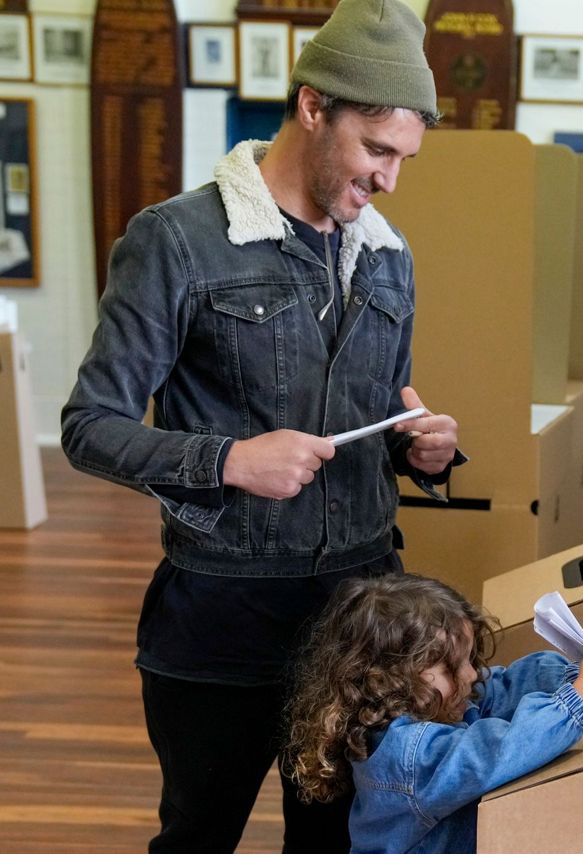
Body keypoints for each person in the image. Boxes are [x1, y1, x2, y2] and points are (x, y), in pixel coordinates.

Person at [60, 0, 463, 849]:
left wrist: (419, 445)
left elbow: (380, 406)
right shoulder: (175, 241)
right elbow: (89, 425)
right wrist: (231, 460)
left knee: (333, 843)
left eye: (404, 157)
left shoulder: (390, 254)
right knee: (200, 835)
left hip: (363, 617)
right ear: (314, 106)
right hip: (223, 618)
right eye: (377, 149)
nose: (391, 179)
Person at [287, 573, 583, 853]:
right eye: (454, 666)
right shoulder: (410, 757)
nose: (471, 673)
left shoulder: (433, 702)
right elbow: (495, 753)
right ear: (396, 678)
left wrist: (575, 678)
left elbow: (500, 687)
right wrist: (579, 696)